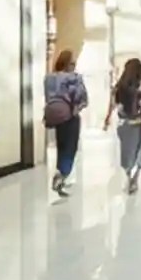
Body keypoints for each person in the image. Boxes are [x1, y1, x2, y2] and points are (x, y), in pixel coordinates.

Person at [45, 49, 88, 197]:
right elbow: (80, 97)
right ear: (68, 64)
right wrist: (79, 105)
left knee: (61, 146)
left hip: (54, 116)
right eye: (73, 62)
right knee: (71, 148)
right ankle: (62, 174)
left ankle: (60, 175)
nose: (74, 65)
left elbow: (48, 96)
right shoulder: (73, 78)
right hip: (69, 115)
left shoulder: (49, 78)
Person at [105, 58, 141, 194]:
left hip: (124, 124)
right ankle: (134, 180)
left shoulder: (119, 87)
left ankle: (129, 176)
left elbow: (113, 104)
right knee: (140, 153)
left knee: (127, 154)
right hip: (140, 124)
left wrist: (107, 119)